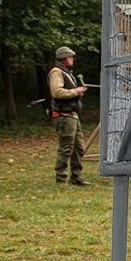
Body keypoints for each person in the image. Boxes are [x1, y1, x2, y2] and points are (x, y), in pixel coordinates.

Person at [49, 46, 89, 185]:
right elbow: (57, 92)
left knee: (79, 148)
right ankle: (61, 178)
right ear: (64, 58)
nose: (72, 59)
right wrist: (76, 91)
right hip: (63, 115)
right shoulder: (56, 72)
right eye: (70, 57)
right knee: (66, 147)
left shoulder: (67, 72)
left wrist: (77, 92)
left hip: (72, 115)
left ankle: (76, 176)